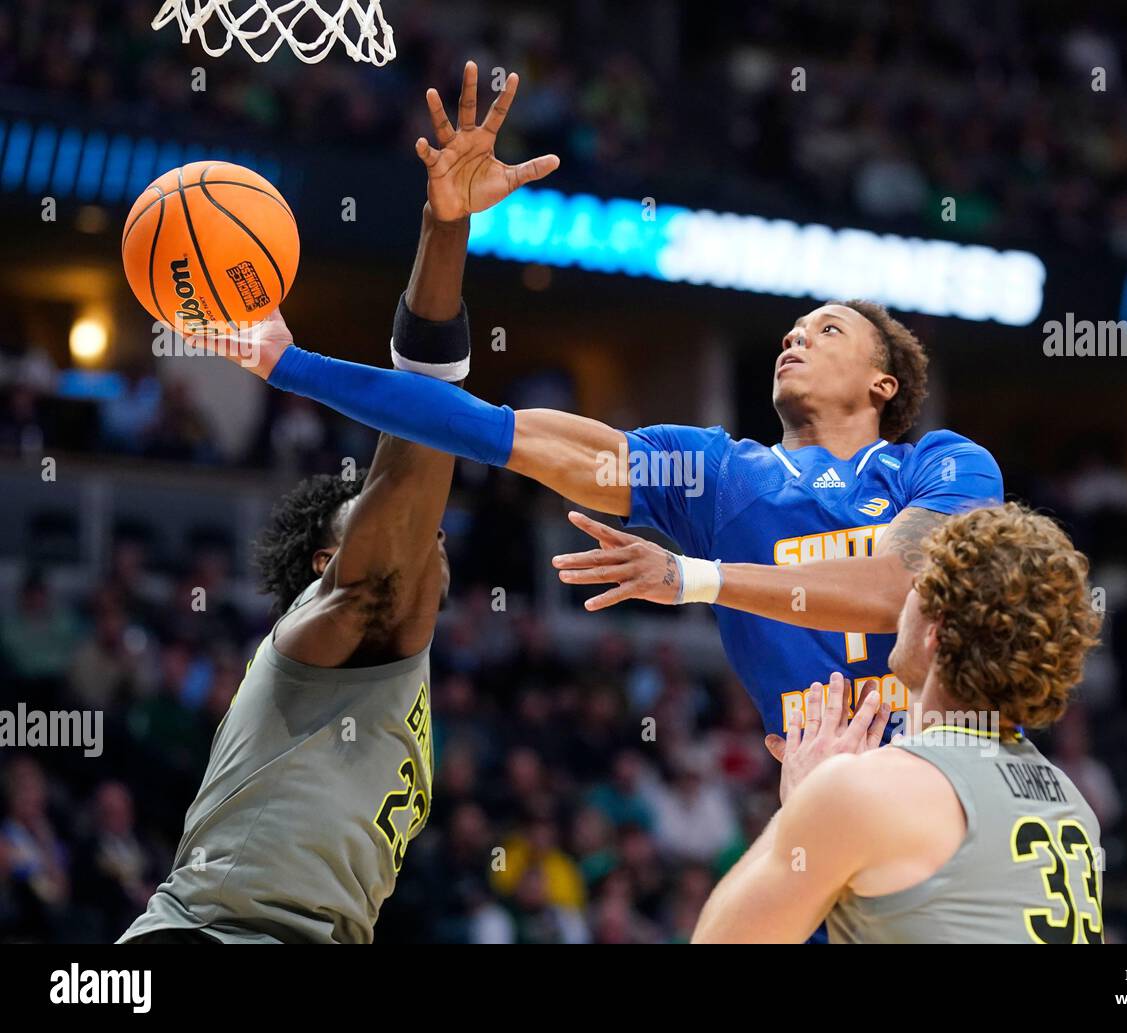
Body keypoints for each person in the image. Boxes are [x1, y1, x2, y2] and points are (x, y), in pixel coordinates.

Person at [203, 137, 1002, 741]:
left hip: (956, 788)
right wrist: (289, 361)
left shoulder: (944, 465)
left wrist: (693, 577)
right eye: (791, 330)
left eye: (826, 330)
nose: (795, 339)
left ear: (883, 384)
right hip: (827, 807)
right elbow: (486, 429)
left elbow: (901, 587)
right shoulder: (717, 474)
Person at [118, 63, 557, 944]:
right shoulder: (346, 609)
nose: (413, 519)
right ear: (329, 557)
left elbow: (414, 454)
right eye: (368, 508)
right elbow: (417, 447)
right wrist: (444, 231)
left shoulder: (383, 655)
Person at [690, 503, 1106, 944]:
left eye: (914, 588)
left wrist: (804, 802)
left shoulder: (865, 793)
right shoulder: (1072, 802)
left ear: (936, 632)